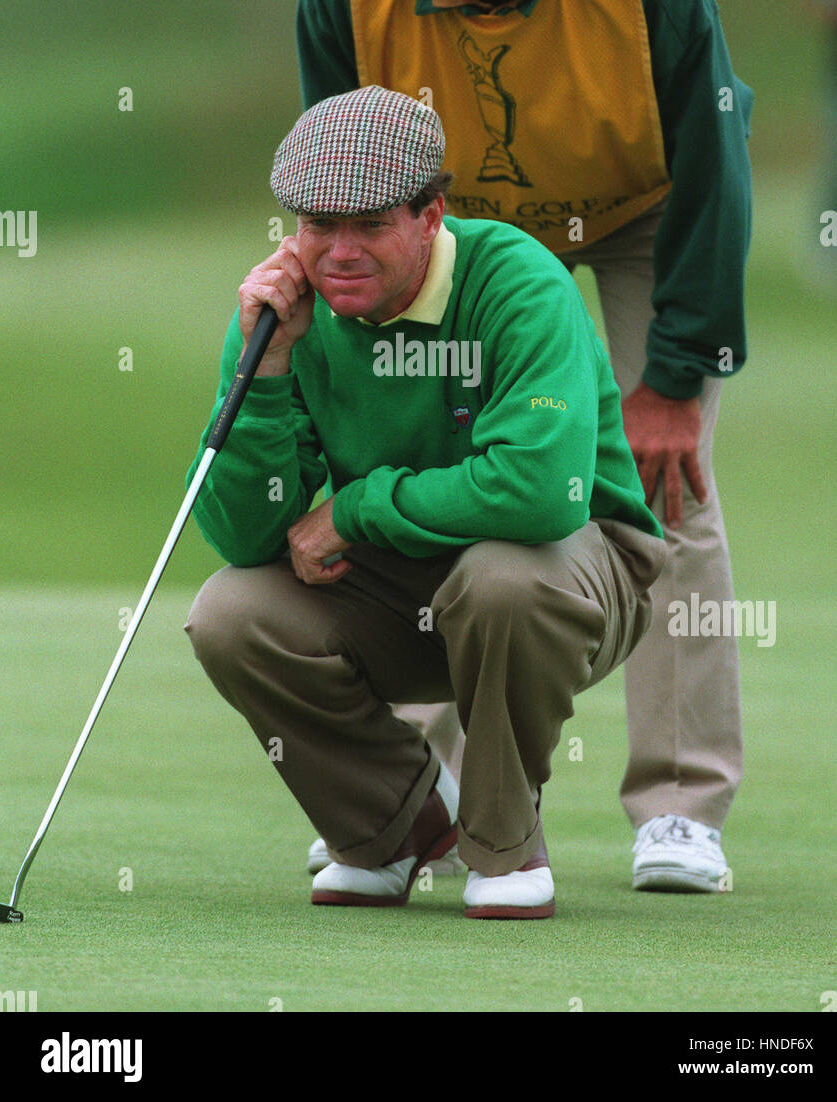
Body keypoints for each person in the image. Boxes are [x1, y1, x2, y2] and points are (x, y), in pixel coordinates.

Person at [295, 0, 753, 892]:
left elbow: (713, 164)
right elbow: (337, 155)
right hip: (460, 220)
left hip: (638, 203)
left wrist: (676, 376)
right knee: (422, 458)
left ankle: (680, 804)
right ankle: (421, 789)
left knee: (666, 479)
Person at [184, 85, 667, 919]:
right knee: (230, 613)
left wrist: (357, 507)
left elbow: (541, 493)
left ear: (430, 214)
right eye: (315, 224)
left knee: (500, 578)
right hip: (405, 585)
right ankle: (395, 824)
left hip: (580, 571)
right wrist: (262, 374)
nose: (336, 252)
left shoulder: (517, 281)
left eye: (368, 225)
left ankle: (505, 846)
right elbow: (245, 534)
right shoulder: (279, 313)